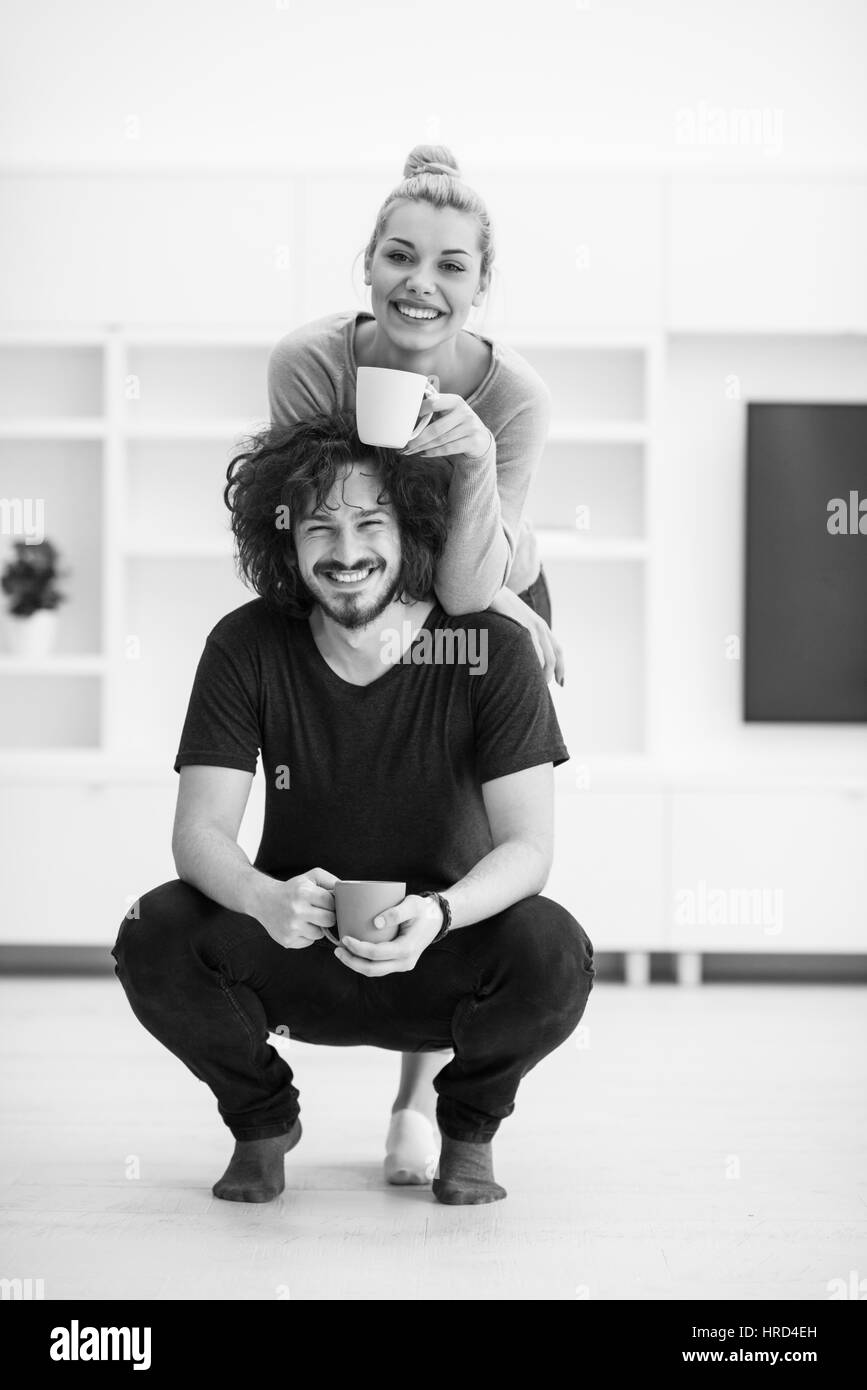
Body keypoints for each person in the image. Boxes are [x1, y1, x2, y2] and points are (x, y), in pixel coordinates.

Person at [112, 414, 594, 1207]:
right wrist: (264, 898)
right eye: (318, 528)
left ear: (412, 531)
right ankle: (262, 1121)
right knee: (152, 931)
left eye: (370, 522)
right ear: (285, 542)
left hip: (441, 951)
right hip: (295, 945)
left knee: (554, 950)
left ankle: (465, 1130)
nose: (344, 553)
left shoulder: (488, 648)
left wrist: (440, 915)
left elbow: (529, 848)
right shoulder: (247, 645)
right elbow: (199, 833)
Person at [268, 143, 566, 1182]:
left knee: (453, 831)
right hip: (364, 587)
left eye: (450, 266)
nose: (420, 284)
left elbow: (480, 577)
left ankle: (419, 1097)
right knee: (370, 816)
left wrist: (472, 455)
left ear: (481, 286)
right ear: (367, 263)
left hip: (480, 591)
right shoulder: (309, 363)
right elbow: (303, 522)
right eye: (400, 256)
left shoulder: (514, 395)